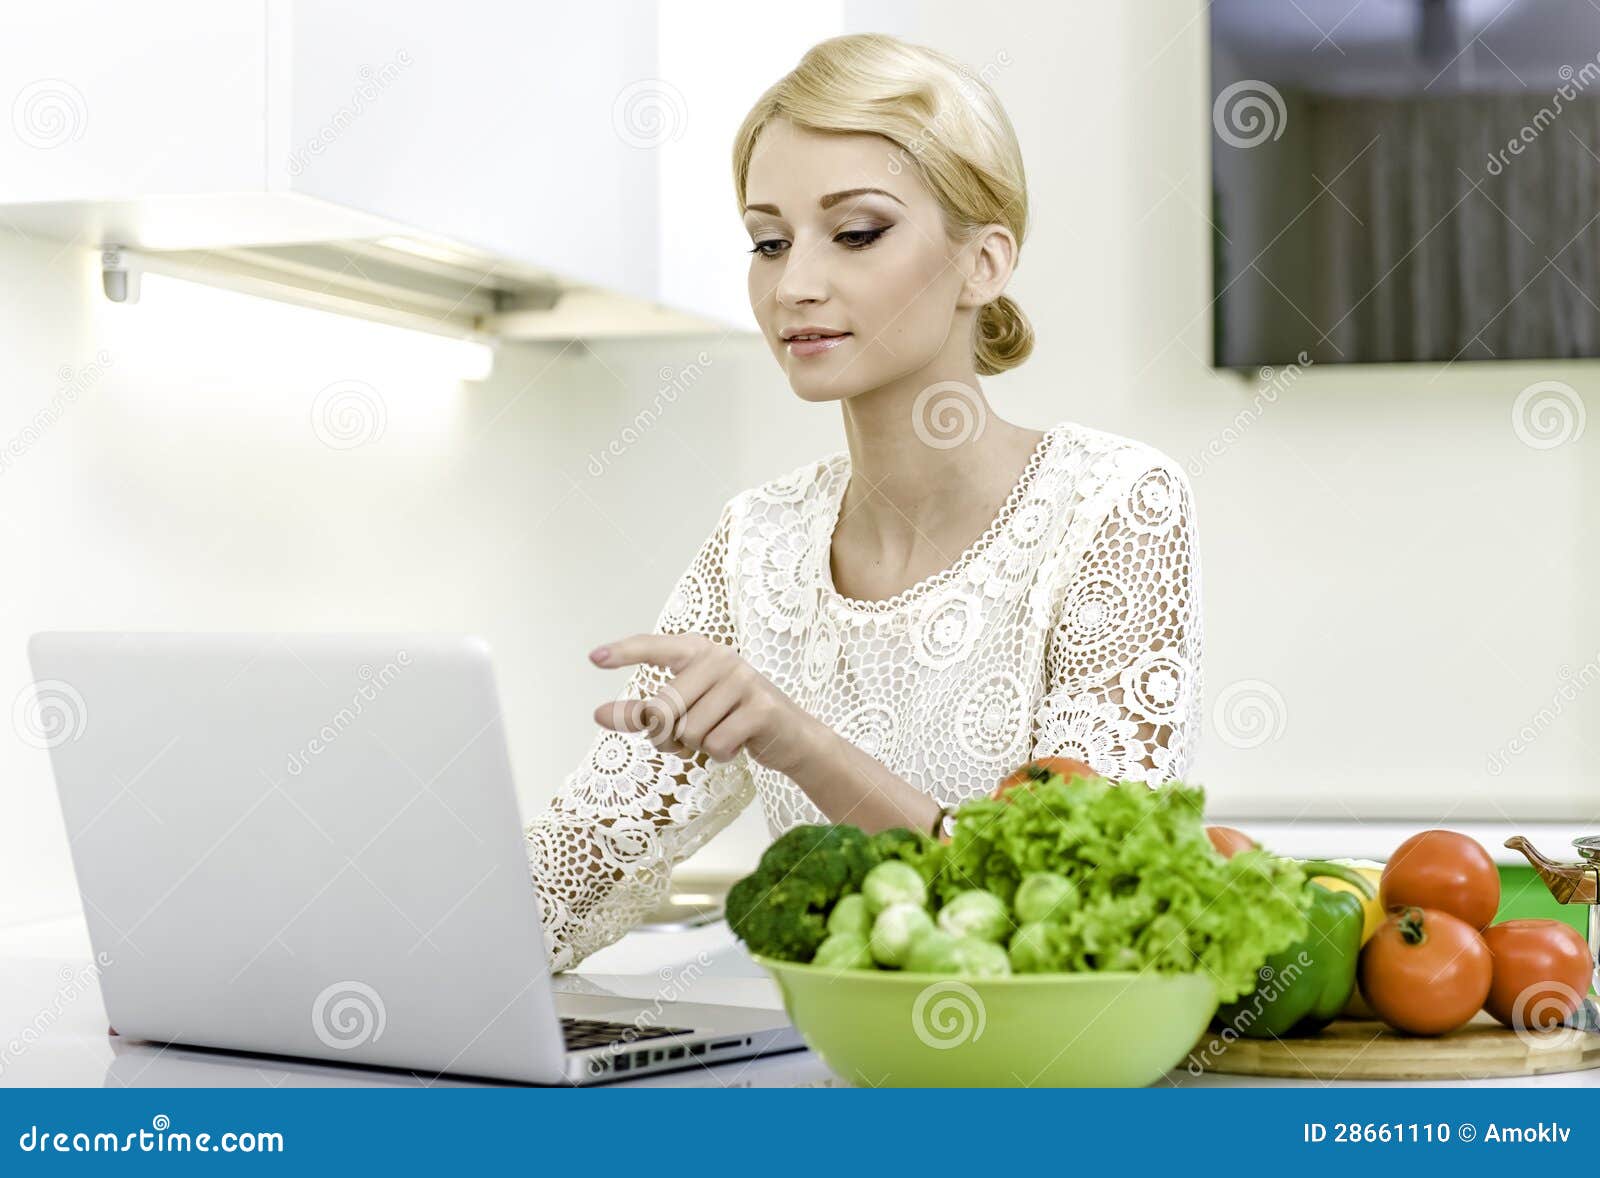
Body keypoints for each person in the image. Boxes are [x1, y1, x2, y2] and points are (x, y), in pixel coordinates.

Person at [525, 32, 1202, 973]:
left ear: (984, 263)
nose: (794, 285)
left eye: (855, 233)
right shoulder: (757, 542)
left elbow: (1072, 908)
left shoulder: (1115, 504)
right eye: (769, 242)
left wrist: (796, 740)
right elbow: (571, 878)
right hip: (836, 1054)